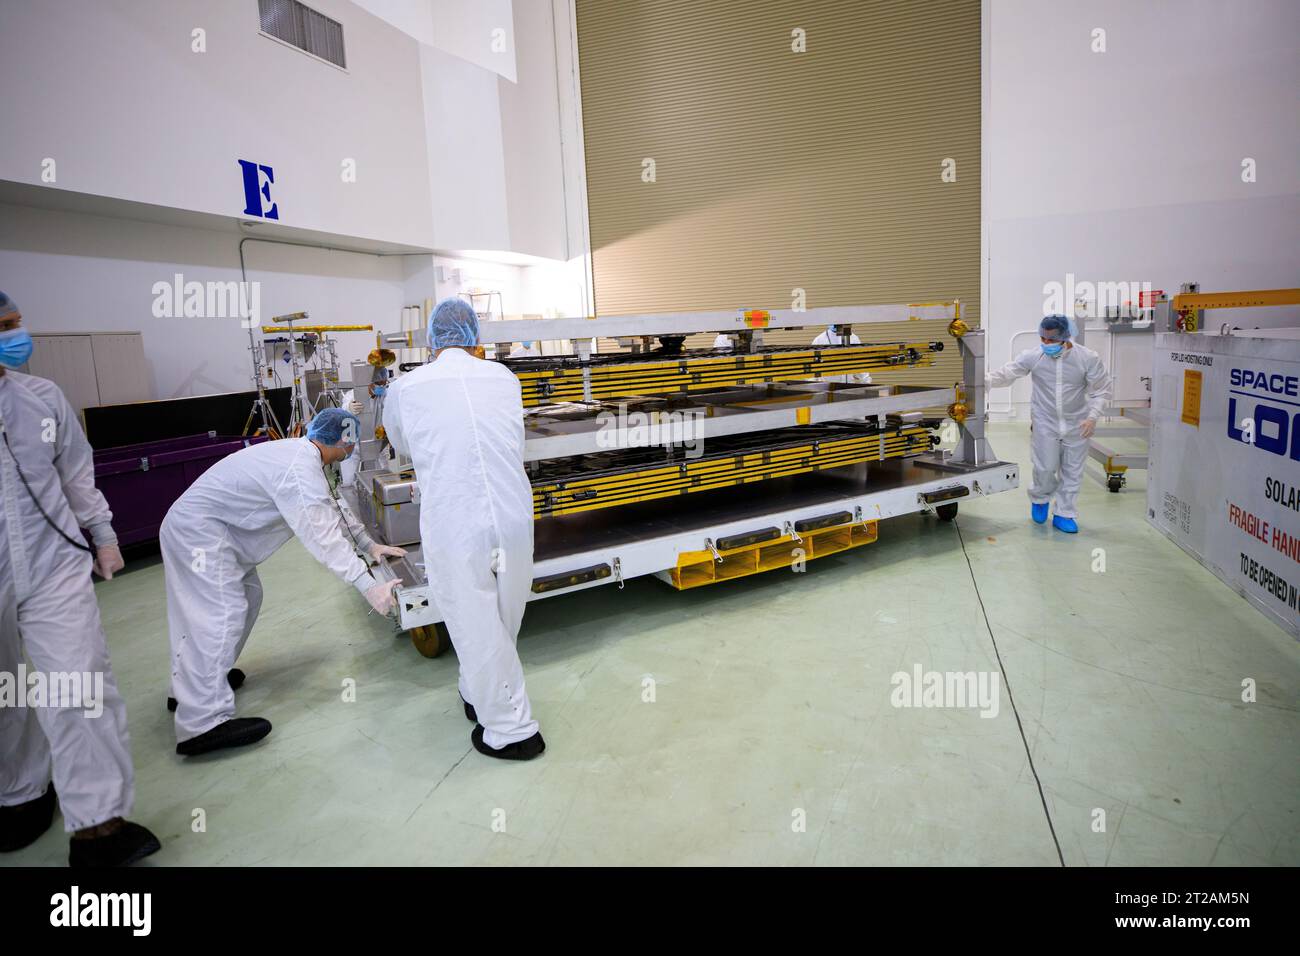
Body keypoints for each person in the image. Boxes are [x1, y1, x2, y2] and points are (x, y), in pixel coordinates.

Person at [0, 291, 160, 866]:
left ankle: (98, 824)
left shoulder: (42, 399)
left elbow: (75, 472)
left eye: (15, 324)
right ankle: (19, 793)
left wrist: (104, 534)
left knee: (80, 682)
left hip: (53, 564)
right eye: (3, 327)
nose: (15, 337)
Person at [160, 407, 406, 756]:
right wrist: (369, 587)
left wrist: (370, 545)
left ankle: (194, 687)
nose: (353, 448)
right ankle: (201, 723)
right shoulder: (299, 470)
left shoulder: (303, 457)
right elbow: (324, 537)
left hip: (212, 532)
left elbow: (331, 509)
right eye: (351, 441)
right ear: (343, 441)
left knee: (248, 597)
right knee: (219, 615)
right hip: (200, 536)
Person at [385, 298, 544, 761]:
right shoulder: (504, 377)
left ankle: (512, 732)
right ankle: (477, 692)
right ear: (475, 337)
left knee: (474, 621)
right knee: (504, 616)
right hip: (513, 514)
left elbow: (402, 444)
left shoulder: (406, 387)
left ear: (432, 341)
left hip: (456, 518)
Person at [986, 314, 1110, 533]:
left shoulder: (1087, 358)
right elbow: (1006, 374)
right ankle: (1040, 499)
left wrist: (1092, 417)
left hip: (1077, 423)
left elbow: (1101, 390)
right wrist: (981, 380)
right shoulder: (1034, 356)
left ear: (1065, 337)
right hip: (1045, 422)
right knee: (1045, 468)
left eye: (1051, 340)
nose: (1046, 343)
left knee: (1073, 472)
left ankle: (1064, 513)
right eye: (1043, 338)